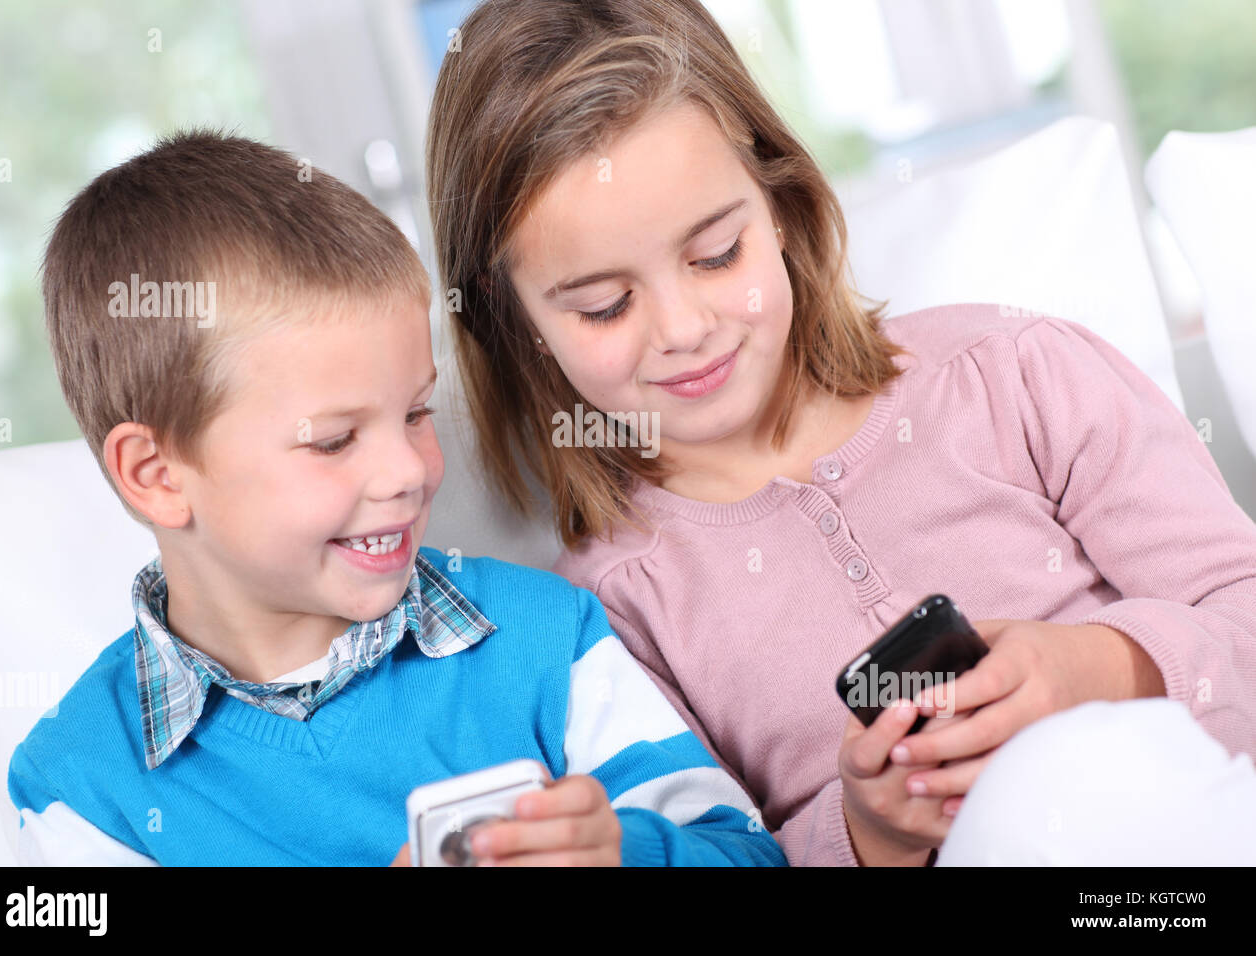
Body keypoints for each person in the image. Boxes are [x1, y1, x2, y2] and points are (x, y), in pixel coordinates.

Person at [425, 0, 1256, 865]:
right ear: (509, 316)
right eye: (605, 305)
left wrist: (1105, 668)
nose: (682, 327)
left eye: (716, 254)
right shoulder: (610, 615)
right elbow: (726, 854)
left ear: (778, 202)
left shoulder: (1015, 373)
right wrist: (868, 831)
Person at [5, 129, 786, 867]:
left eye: (415, 414)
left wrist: (624, 850)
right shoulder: (81, 783)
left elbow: (749, 854)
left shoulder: (545, 635)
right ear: (157, 475)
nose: (407, 473)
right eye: (334, 441)